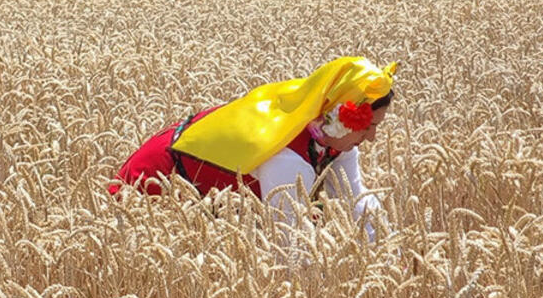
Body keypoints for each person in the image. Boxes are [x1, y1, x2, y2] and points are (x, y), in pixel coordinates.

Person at [111, 56, 398, 240]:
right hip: (150, 188)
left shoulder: (339, 141)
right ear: (340, 116)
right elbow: (288, 244)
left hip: (204, 198)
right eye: (368, 126)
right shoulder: (287, 157)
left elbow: (356, 200)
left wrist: (387, 251)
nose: (372, 137)